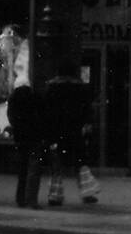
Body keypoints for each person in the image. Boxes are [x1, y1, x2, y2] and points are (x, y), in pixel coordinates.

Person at [38, 60, 97, 207]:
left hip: (56, 130)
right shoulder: (80, 88)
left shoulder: (51, 88)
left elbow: (45, 110)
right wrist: (85, 123)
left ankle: (55, 195)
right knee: (80, 162)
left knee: (56, 164)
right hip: (75, 130)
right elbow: (87, 109)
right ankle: (88, 193)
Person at [7, 77, 46, 208]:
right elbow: (42, 115)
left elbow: (11, 118)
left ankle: (20, 198)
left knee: (22, 168)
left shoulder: (13, 98)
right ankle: (31, 199)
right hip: (35, 136)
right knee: (34, 168)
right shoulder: (35, 96)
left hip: (20, 137)